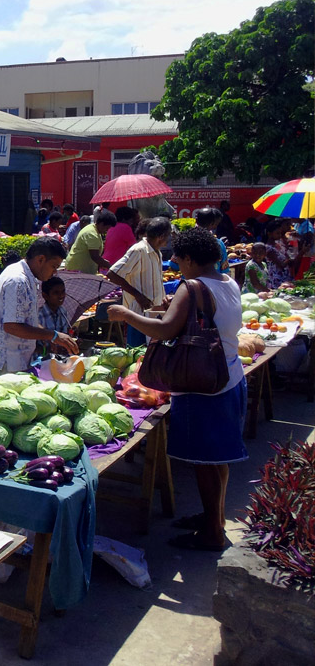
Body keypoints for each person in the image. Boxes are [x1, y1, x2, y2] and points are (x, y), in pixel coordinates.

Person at [107, 227, 246, 552]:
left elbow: (166, 328)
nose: (174, 262)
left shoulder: (192, 286)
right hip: (228, 377)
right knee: (217, 460)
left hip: (203, 387)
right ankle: (214, 517)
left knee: (204, 462)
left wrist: (127, 314)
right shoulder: (228, 282)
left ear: (189, 258)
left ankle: (212, 533)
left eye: (178, 257)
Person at [0, 237, 79, 380]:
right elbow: (12, 326)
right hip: (6, 363)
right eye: (54, 266)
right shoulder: (18, 280)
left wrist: (50, 337)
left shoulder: (28, 277)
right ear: (41, 259)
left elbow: (26, 319)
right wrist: (53, 335)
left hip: (17, 361)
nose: (55, 272)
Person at [106, 217, 171, 346]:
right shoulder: (139, 250)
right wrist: (138, 296)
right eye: (168, 235)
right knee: (137, 353)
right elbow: (112, 274)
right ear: (161, 236)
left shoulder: (156, 251)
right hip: (138, 314)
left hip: (153, 314)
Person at [35, 276, 70, 359]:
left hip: (60, 358)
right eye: (56, 293)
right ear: (45, 295)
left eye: (63, 292)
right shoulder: (39, 315)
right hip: (43, 360)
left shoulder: (63, 312)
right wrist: (48, 349)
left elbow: (63, 334)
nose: (61, 296)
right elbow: (34, 345)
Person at [195, 207, 230, 274]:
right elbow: (225, 270)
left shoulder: (185, 241)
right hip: (213, 281)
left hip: (190, 282)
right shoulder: (218, 244)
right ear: (212, 224)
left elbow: (174, 265)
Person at [263, 219, 294, 289]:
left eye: (280, 233)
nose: (280, 235)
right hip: (277, 277)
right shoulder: (269, 248)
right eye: (277, 233)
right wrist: (290, 259)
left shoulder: (277, 244)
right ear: (269, 233)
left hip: (284, 275)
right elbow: (281, 265)